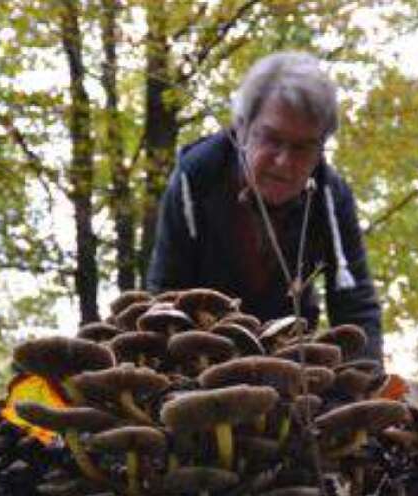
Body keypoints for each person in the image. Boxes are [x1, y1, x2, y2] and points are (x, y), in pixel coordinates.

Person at [145, 51, 384, 362]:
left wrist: (368, 388)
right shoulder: (197, 178)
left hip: (289, 364)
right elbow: (166, 291)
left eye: (302, 147)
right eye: (271, 139)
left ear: (321, 148)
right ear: (241, 129)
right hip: (201, 361)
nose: (284, 161)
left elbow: (355, 304)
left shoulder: (329, 196)